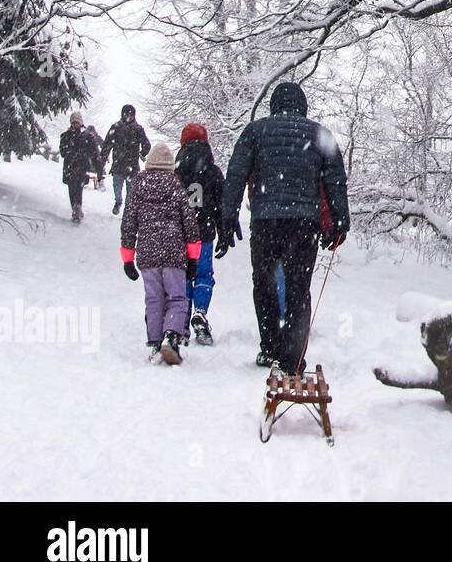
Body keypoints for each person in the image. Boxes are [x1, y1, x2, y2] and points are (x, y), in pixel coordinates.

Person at [220, 82, 349, 373]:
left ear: (273, 105)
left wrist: (227, 217)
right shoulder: (320, 134)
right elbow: (336, 180)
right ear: (302, 105)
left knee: (264, 285)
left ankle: (270, 348)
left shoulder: (255, 132)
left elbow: (236, 174)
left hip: (266, 222)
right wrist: (340, 222)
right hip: (304, 224)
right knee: (298, 289)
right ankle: (291, 358)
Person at [120, 143, 201, 365]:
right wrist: (193, 257)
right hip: (174, 252)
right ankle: (171, 335)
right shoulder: (175, 185)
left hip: (147, 254)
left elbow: (128, 222)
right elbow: (190, 224)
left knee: (154, 298)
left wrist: (127, 258)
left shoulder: (138, 185)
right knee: (177, 297)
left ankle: (155, 341)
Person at [175, 123, 224, 345]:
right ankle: (200, 312)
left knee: (183, 275)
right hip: (204, 233)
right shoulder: (212, 171)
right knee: (204, 275)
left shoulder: (176, 171)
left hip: (181, 234)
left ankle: (182, 321)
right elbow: (222, 203)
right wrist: (224, 229)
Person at [101, 104, 152, 215]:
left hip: (131, 166)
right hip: (119, 164)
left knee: (131, 192)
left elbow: (147, 144)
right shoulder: (116, 127)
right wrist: (103, 157)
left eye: (131, 114)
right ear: (122, 114)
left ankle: (128, 210)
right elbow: (107, 144)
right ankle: (118, 202)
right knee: (117, 187)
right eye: (127, 114)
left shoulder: (138, 129)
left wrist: (142, 153)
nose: (129, 116)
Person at [58, 112, 100, 224]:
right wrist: (71, 153)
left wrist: (98, 168)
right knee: (72, 189)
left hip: (82, 166)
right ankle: (75, 208)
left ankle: (77, 208)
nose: (75, 124)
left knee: (78, 188)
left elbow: (95, 153)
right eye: (74, 122)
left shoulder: (87, 136)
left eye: (77, 122)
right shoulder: (66, 136)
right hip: (70, 167)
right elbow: (62, 152)